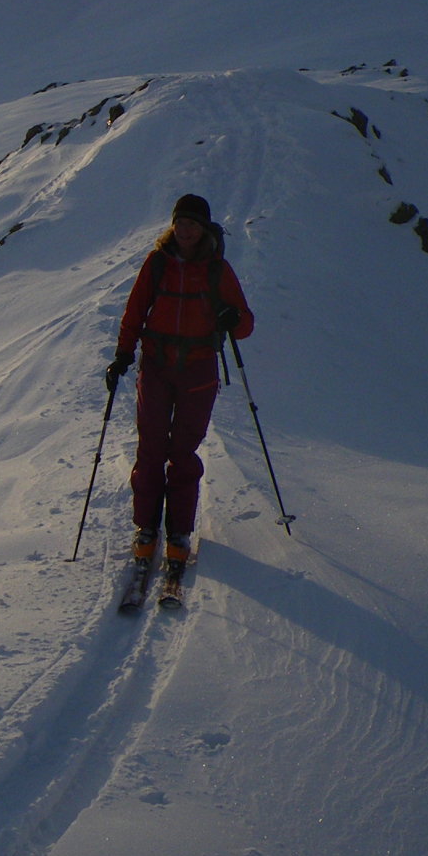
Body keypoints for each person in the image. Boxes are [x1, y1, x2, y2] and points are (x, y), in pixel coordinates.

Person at [106, 193, 254, 577]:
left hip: (198, 372)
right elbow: (135, 310)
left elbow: (246, 326)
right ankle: (147, 526)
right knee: (151, 447)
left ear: (204, 229)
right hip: (155, 367)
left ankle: (180, 531)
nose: (185, 230)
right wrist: (123, 353)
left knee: (183, 452)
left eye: (192, 224)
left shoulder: (217, 271)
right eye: (180, 223)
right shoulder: (157, 264)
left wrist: (230, 315)